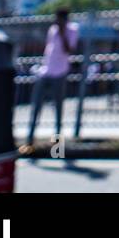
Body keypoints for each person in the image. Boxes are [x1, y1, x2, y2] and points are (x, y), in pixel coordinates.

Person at [25, 8, 79, 150]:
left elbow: (69, 50)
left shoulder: (72, 30)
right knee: (36, 106)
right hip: (46, 71)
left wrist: (62, 32)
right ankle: (29, 141)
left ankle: (57, 145)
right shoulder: (52, 29)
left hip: (60, 72)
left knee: (58, 108)